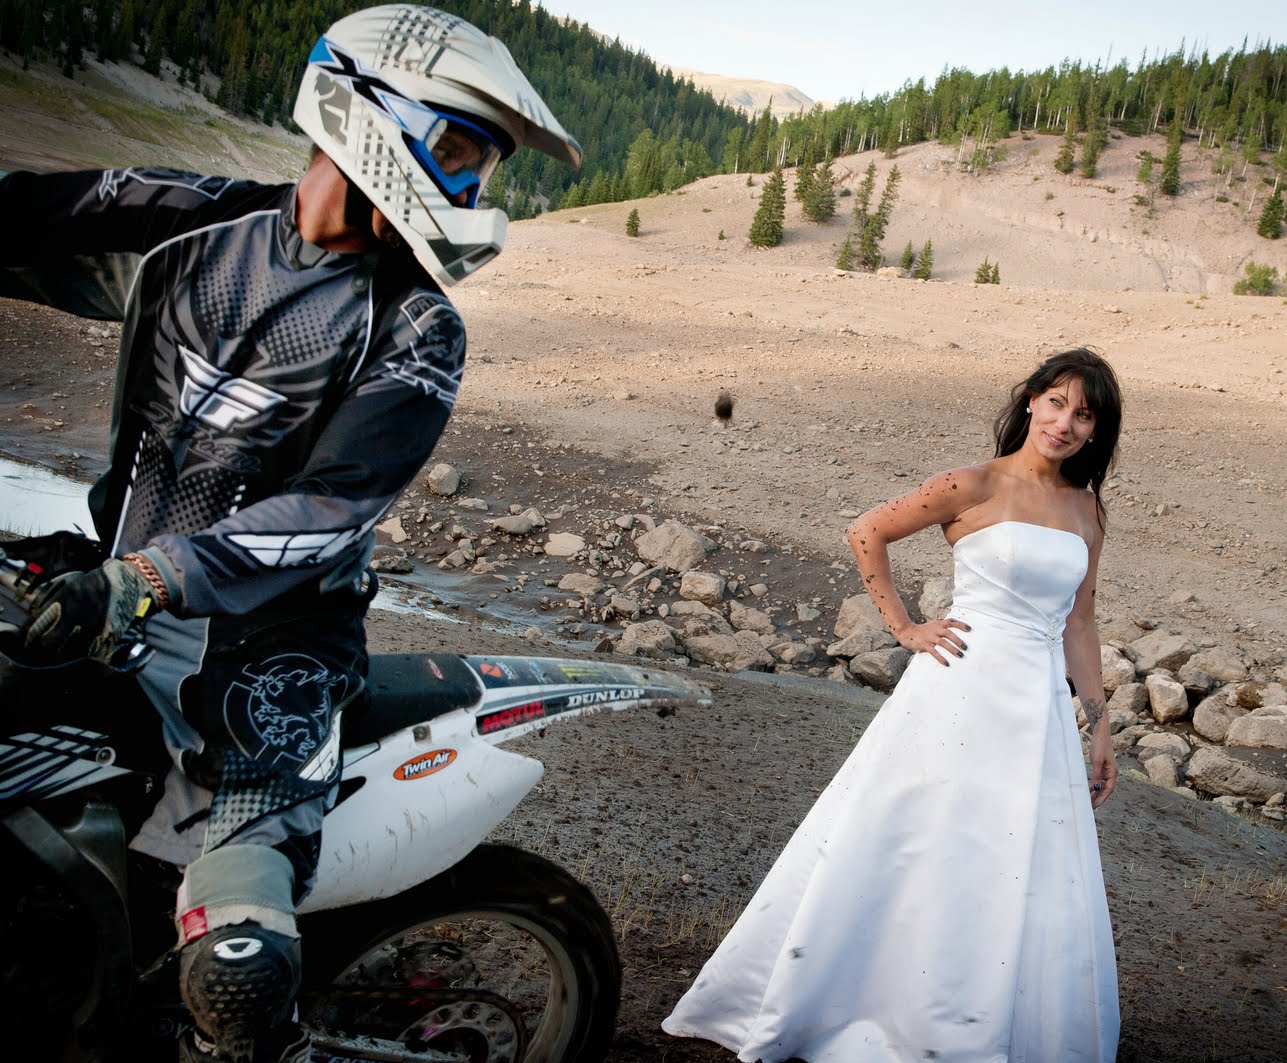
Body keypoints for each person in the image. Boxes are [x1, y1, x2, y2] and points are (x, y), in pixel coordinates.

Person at [0, 6, 581, 1060]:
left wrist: (141, 578)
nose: (469, 190)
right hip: (109, 592)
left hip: (275, 654)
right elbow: (25, 215)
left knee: (237, 978)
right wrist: (119, 582)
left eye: (479, 166)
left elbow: (328, 510)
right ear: (362, 110)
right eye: (458, 152)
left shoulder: (415, 326)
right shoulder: (191, 221)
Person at [664, 348, 1124, 1062]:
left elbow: (1080, 621)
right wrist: (905, 627)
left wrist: (1099, 727)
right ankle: (884, 1008)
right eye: (1057, 402)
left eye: (1084, 414)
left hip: (1035, 716)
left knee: (1013, 863)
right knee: (916, 843)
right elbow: (865, 530)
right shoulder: (970, 484)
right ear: (1031, 400)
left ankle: (986, 1020)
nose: (1065, 423)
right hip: (956, 693)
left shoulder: (1085, 510)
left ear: (1095, 431)